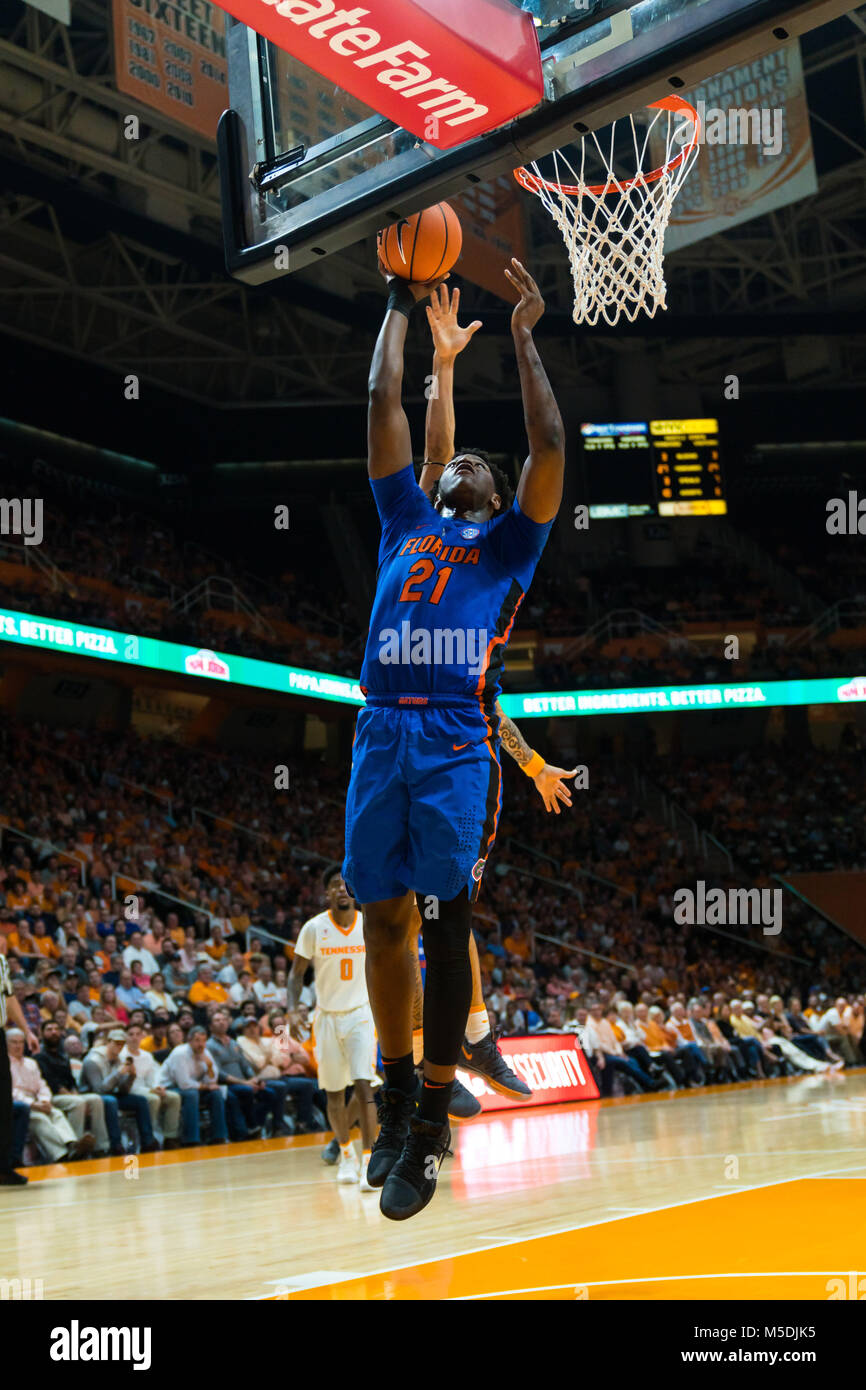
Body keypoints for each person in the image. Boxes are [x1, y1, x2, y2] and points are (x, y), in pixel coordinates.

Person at [342, 257, 565, 1221]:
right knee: (385, 921)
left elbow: (549, 440)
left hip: (451, 740)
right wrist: (397, 294)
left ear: (498, 493)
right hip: (378, 730)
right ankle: (396, 1098)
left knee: (442, 923)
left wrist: (521, 339)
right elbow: (381, 395)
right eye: (453, 462)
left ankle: (431, 1117)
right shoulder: (405, 521)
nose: (460, 463)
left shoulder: (510, 547)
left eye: (478, 464)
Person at [288, 869, 379, 1188]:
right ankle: (346, 1154)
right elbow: (297, 974)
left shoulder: (369, 923)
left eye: (345, 885)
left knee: (365, 1085)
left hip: (361, 1014)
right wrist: (291, 1009)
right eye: (334, 886)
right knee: (335, 1093)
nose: (341, 890)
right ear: (326, 894)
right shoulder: (314, 928)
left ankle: (369, 1159)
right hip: (325, 1016)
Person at [8, 1028, 96, 1164]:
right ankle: (62, 1155)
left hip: (38, 1101)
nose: (18, 1046)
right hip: (20, 1105)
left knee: (56, 1114)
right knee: (39, 1119)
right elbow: (10, 1091)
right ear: (6, 1044)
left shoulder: (31, 1063)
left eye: (21, 1042)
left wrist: (44, 1100)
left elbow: (42, 1085)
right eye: (14, 1042)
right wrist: (33, 1104)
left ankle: (72, 1145)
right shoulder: (4, 1064)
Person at [36, 1019, 119, 1156]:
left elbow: (71, 1081)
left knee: (95, 1099)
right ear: (42, 1034)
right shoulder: (40, 1057)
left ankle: (101, 1147)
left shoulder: (64, 1057)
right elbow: (52, 1083)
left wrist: (74, 1092)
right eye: (49, 1030)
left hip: (68, 1095)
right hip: (52, 1097)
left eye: (56, 1029)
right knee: (78, 1102)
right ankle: (76, 1146)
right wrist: (72, 1096)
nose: (54, 1032)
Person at [80, 1028, 161, 1152]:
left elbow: (123, 1091)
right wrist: (118, 1074)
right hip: (92, 1097)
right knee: (111, 1101)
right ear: (108, 1042)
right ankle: (116, 1144)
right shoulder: (92, 1060)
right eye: (116, 1042)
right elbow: (99, 1090)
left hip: (111, 1095)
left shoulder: (119, 1060)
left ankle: (148, 1141)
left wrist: (131, 1076)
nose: (119, 1046)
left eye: (122, 1043)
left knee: (140, 1101)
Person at [1, 948, 43, 1184]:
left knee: (4, 1103)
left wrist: (26, 1031)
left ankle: (3, 1166)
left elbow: (8, 998)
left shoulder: (0, 961)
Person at [160, 1024, 228, 1146]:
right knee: (192, 1094)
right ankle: (191, 1139)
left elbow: (212, 1081)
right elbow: (184, 1084)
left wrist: (210, 1066)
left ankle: (218, 1136)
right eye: (197, 1040)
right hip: (169, 1087)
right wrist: (207, 1087)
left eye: (203, 1040)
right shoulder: (180, 1053)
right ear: (189, 1040)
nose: (200, 1044)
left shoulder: (205, 1052)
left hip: (193, 1087)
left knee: (216, 1094)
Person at [121, 1022, 182, 1148]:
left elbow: (153, 1077)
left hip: (146, 1088)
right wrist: (151, 1091)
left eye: (138, 1034)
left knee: (174, 1097)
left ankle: (170, 1137)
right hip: (131, 1090)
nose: (134, 1037)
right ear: (126, 1037)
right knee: (153, 1099)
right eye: (131, 1034)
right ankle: (150, 1136)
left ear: (142, 1036)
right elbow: (124, 1083)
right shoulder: (122, 1055)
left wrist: (157, 1088)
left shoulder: (147, 1055)